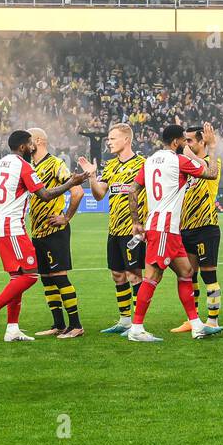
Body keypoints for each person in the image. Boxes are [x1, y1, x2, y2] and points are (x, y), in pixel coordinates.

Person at [80, 124, 222, 343]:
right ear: (176, 142)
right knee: (151, 278)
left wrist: (136, 222)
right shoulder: (178, 161)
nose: (185, 145)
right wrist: (211, 147)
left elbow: (133, 191)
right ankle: (136, 328)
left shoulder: (151, 161)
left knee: (185, 272)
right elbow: (211, 173)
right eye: (183, 141)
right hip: (165, 228)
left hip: (162, 227)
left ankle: (196, 326)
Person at [0, 130, 89, 342]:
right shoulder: (24, 166)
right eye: (29, 144)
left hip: (1, 228)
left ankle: (12, 329)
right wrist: (72, 182)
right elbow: (45, 195)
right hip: (14, 229)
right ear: (23, 147)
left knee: (17, 277)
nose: (31, 148)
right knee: (30, 275)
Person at [83, 123, 146, 335]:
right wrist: (92, 177)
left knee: (134, 275)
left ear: (126, 139)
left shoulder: (142, 164)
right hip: (114, 229)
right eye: (108, 139)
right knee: (117, 275)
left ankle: (138, 324)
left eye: (112, 138)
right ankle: (125, 320)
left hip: (133, 231)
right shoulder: (110, 166)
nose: (108, 142)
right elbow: (100, 194)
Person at [27, 127, 85, 339]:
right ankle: (59, 324)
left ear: (39, 141)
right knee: (46, 279)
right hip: (38, 231)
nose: (26, 144)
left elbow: (77, 191)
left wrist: (66, 217)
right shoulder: (30, 166)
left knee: (60, 277)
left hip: (55, 231)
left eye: (28, 140)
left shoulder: (55, 164)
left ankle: (76, 325)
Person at [173, 124, 223, 333]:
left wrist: (211, 147)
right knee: (188, 274)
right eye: (185, 140)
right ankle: (192, 320)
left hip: (206, 226)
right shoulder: (186, 165)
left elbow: (208, 170)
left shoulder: (212, 162)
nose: (186, 144)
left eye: (190, 140)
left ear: (202, 142)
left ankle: (213, 321)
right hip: (186, 228)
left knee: (208, 275)